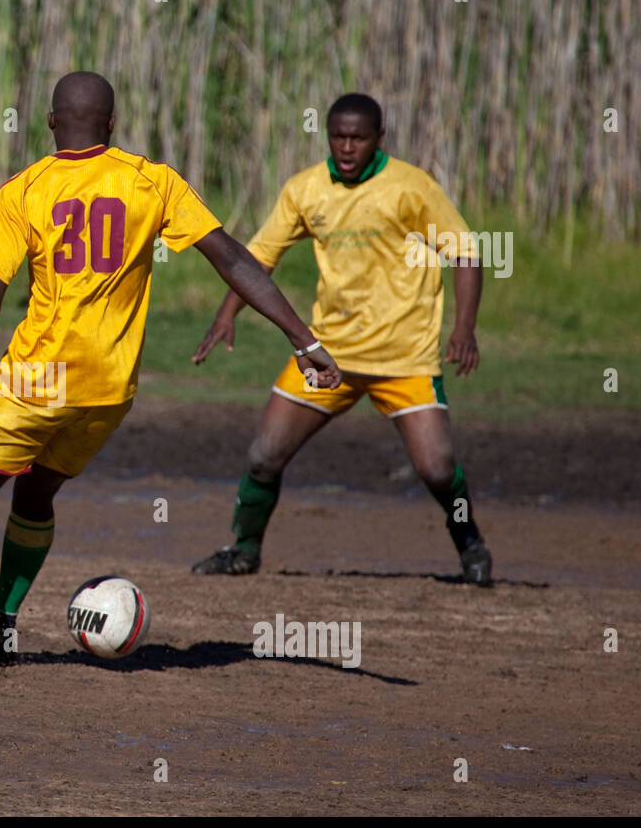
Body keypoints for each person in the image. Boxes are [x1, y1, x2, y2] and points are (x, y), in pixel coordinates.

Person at [0, 71, 340, 668]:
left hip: (36, 378)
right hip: (109, 390)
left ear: (51, 122)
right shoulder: (152, 182)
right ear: (112, 124)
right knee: (36, 494)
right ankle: (3, 625)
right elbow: (231, 257)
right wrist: (302, 337)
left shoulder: (23, 191)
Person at [190, 93, 493, 585]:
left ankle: (470, 543)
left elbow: (465, 254)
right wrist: (228, 315)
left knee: (437, 468)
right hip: (326, 354)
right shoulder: (305, 189)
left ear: (379, 139)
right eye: (338, 137)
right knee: (264, 455)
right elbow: (259, 256)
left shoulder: (411, 188)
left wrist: (463, 328)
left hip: (405, 357)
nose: (347, 147)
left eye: (358, 138)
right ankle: (243, 549)